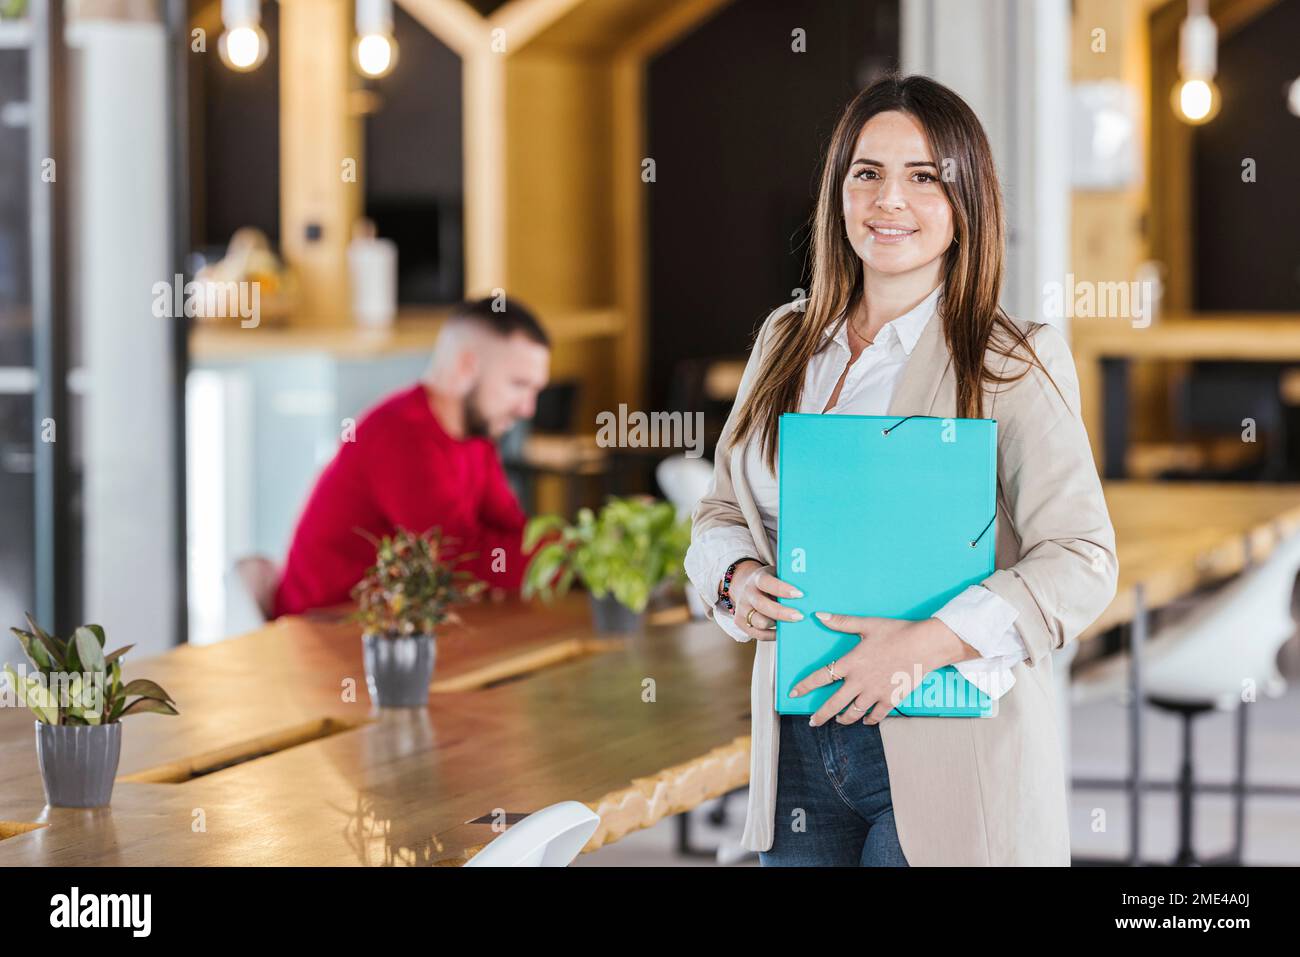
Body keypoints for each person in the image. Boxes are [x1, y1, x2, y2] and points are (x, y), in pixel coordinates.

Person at [684, 74, 1119, 866]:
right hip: (802, 740)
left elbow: (1083, 559)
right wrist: (736, 576)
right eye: (867, 172)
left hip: (948, 748)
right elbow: (719, 511)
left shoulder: (1009, 359)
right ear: (838, 191)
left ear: (966, 205)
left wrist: (922, 645)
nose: (891, 200)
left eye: (925, 178)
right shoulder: (784, 340)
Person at [273, 296, 551, 617]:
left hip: (397, 623)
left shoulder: (477, 437)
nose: (527, 409)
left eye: (535, 391)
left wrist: (550, 553)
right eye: (518, 385)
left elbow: (514, 533)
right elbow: (458, 564)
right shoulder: (400, 435)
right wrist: (569, 554)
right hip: (324, 630)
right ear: (466, 367)